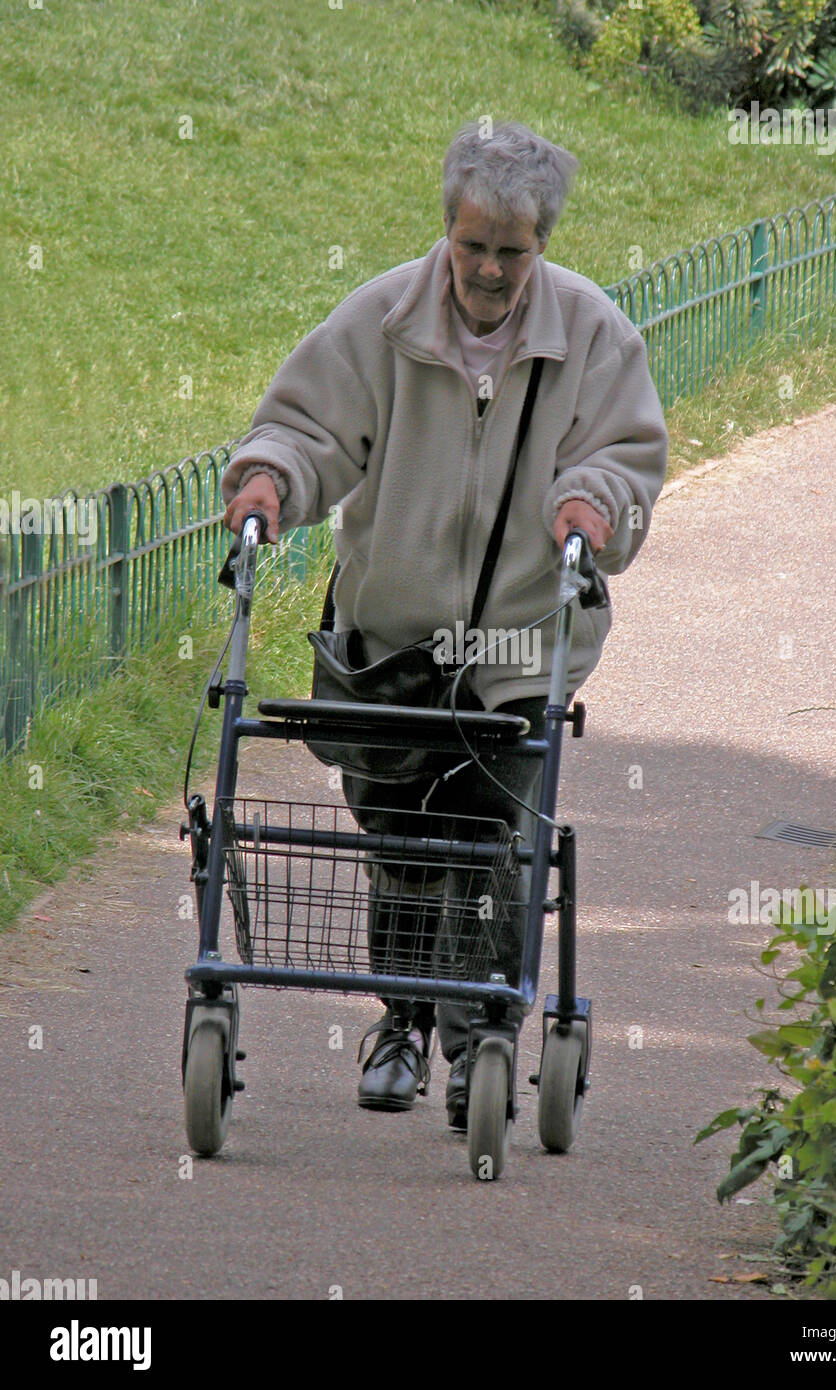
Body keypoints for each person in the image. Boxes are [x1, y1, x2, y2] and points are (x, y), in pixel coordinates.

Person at [222, 121, 668, 1127]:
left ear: (542, 245)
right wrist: (268, 481)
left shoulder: (592, 334)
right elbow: (309, 430)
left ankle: (478, 1041)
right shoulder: (381, 318)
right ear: (448, 232)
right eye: (475, 247)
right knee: (398, 840)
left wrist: (592, 504)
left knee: (486, 839)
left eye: (514, 252)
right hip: (391, 638)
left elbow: (627, 454)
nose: (492, 271)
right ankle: (402, 1020)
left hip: (517, 646)